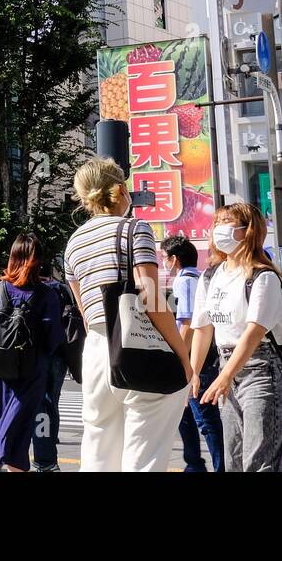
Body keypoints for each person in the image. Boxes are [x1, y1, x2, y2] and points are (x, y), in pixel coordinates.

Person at [65, 159, 192, 472]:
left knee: (99, 445)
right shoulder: (135, 229)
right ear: (121, 189)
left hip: (95, 349)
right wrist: (183, 355)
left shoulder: (74, 242)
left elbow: (84, 310)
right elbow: (150, 296)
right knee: (145, 450)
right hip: (138, 343)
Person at [189, 202, 282, 472]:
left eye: (227, 223)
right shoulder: (210, 277)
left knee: (258, 463)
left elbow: (254, 333)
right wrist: (194, 372)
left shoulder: (262, 276)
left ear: (248, 231)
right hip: (227, 368)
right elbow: (202, 327)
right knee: (233, 460)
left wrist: (223, 378)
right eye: (216, 223)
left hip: (261, 370)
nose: (218, 230)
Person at [0, 233, 65, 472]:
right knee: (20, 431)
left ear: (13, 258)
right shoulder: (46, 294)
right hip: (31, 373)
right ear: (37, 261)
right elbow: (53, 338)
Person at [164, 235, 224, 473]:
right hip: (203, 355)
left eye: (164, 257)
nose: (163, 262)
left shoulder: (185, 281)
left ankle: (219, 466)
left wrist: (181, 359)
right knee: (187, 412)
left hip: (195, 359)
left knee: (205, 419)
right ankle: (194, 463)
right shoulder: (198, 278)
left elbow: (187, 322)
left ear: (174, 259)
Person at [31, 259, 79, 472]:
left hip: (38, 354)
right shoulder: (61, 289)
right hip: (60, 353)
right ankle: (53, 437)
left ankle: (44, 448)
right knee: (53, 400)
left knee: (40, 403)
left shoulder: (32, 289)